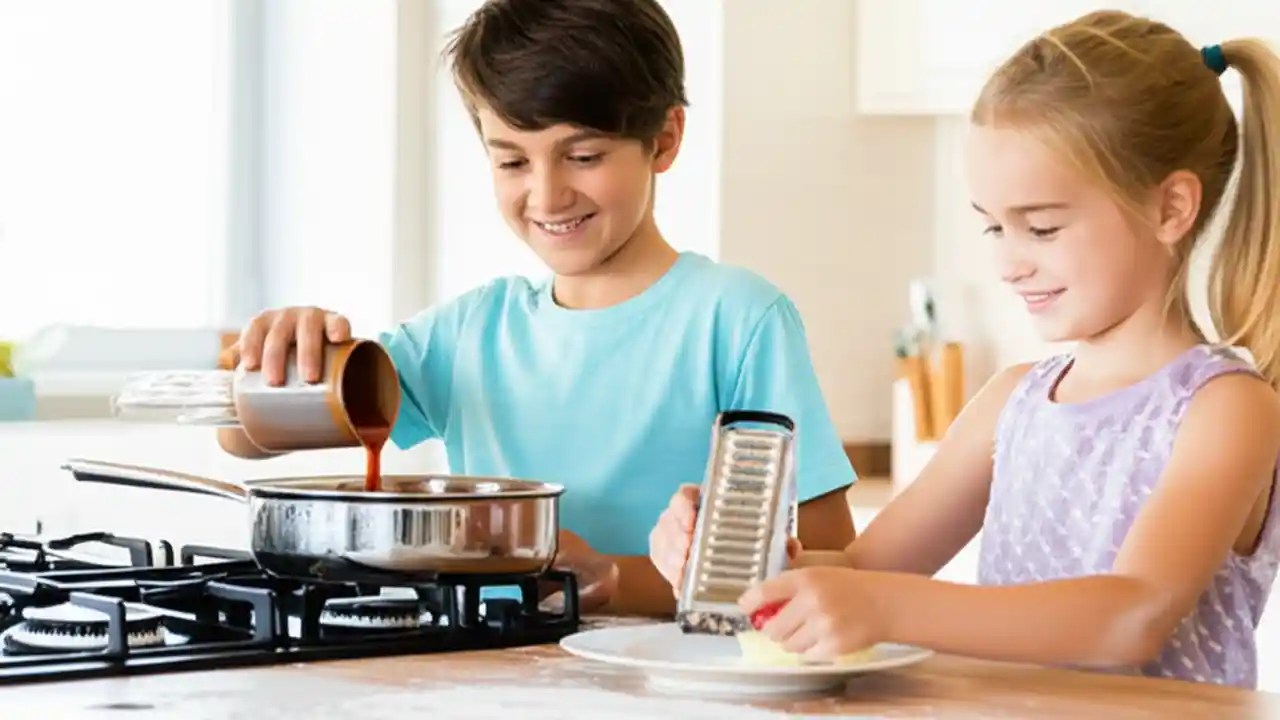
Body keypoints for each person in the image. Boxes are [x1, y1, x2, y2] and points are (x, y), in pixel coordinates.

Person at [651, 10, 1280, 687]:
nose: (1009, 263)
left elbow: (1131, 616)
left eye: (1040, 228)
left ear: (1171, 208)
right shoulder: (1014, 401)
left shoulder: (1226, 408)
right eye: (993, 229)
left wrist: (883, 606)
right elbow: (865, 572)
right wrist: (733, 562)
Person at [220, 0, 856, 615]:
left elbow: (831, 563)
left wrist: (613, 577)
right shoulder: (469, 334)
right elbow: (240, 437)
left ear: (663, 139)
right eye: (513, 161)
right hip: (495, 678)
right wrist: (277, 354)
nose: (547, 195)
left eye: (583, 157)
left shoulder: (738, 320)